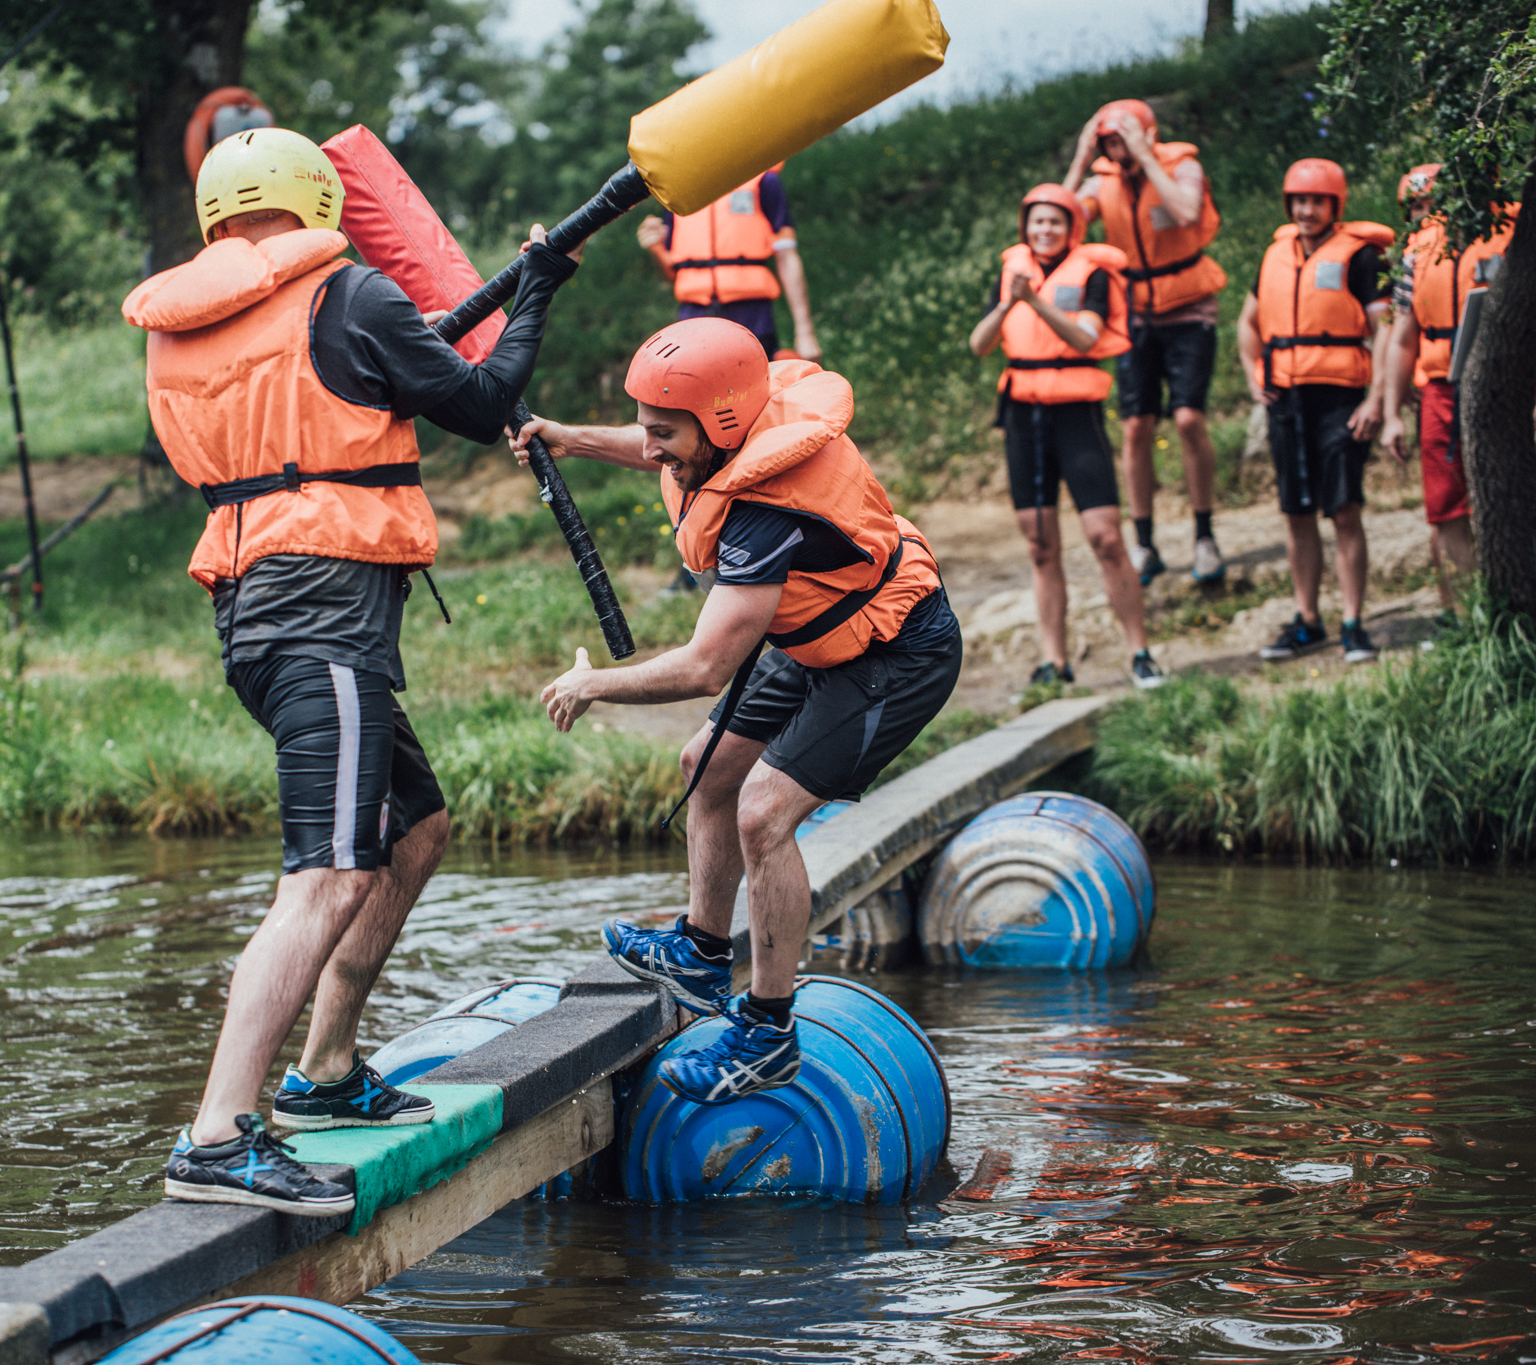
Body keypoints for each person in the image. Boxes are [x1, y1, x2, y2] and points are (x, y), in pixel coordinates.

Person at [122, 128, 580, 1215]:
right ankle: (219, 1133)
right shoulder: (349, 293)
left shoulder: (188, 325)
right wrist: (535, 294)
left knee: (412, 827)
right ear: (316, 198)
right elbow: (478, 405)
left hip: (260, 607)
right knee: (325, 872)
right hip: (318, 614)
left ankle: (324, 1070)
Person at [511, 318, 960, 1104]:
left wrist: (593, 686)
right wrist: (570, 438)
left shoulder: (765, 508)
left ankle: (767, 1031)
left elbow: (707, 663)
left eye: (664, 432)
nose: (650, 447)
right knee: (705, 767)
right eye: (646, 426)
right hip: (818, 634)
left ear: (720, 421)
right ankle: (699, 948)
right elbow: (654, 435)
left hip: (897, 649)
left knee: (762, 811)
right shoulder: (725, 430)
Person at [967, 184, 1165, 691]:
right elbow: (979, 344)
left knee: (1105, 537)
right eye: (1037, 222)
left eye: (1055, 222)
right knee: (1039, 545)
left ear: (1072, 228)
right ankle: (1055, 663)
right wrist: (1009, 302)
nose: (1045, 230)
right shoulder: (1012, 269)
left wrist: (1032, 300)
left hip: (1076, 413)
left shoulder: (1093, 272)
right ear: (1025, 227)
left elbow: (1087, 338)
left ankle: (1140, 651)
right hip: (1023, 414)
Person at [1063, 99, 1229, 587]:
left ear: (1149, 135)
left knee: (1188, 418)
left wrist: (1147, 155)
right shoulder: (1101, 180)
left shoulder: (1184, 167)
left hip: (1188, 308)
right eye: (1109, 144)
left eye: (1124, 140)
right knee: (1136, 427)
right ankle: (1145, 543)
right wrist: (1079, 159)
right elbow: (1058, 222)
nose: (1118, 152)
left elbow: (1185, 210)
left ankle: (1204, 535)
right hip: (1135, 313)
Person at [1236, 157, 1393, 664]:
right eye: (1298, 201)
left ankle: (1353, 623)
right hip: (1286, 397)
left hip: (1341, 399)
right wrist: (1253, 375)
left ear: (1335, 204)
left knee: (1344, 511)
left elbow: (1386, 332)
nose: (1306, 210)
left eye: (1316, 201)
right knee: (1296, 513)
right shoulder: (1276, 253)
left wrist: (1376, 400)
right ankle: (1307, 621)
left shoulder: (1362, 258)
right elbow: (1249, 322)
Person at [1381, 162, 1518, 616]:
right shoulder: (1417, 251)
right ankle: (1470, 621)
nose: (1423, 213)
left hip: (1512, 382)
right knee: (1445, 508)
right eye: (1415, 207)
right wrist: (1390, 414)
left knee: (1513, 494)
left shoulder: (1515, 232)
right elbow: (1403, 337)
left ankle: (1517, 609)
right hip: (1440, 389)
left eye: (1429, 203)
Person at [635, 166, 822, 361]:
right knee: (697, 388)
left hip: (753, 317)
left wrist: (805, 333)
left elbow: (787, 256)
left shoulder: (764, 180)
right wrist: (656, 248)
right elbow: (672, 274)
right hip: (693, 318)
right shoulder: (678, 190)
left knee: (754, 388)